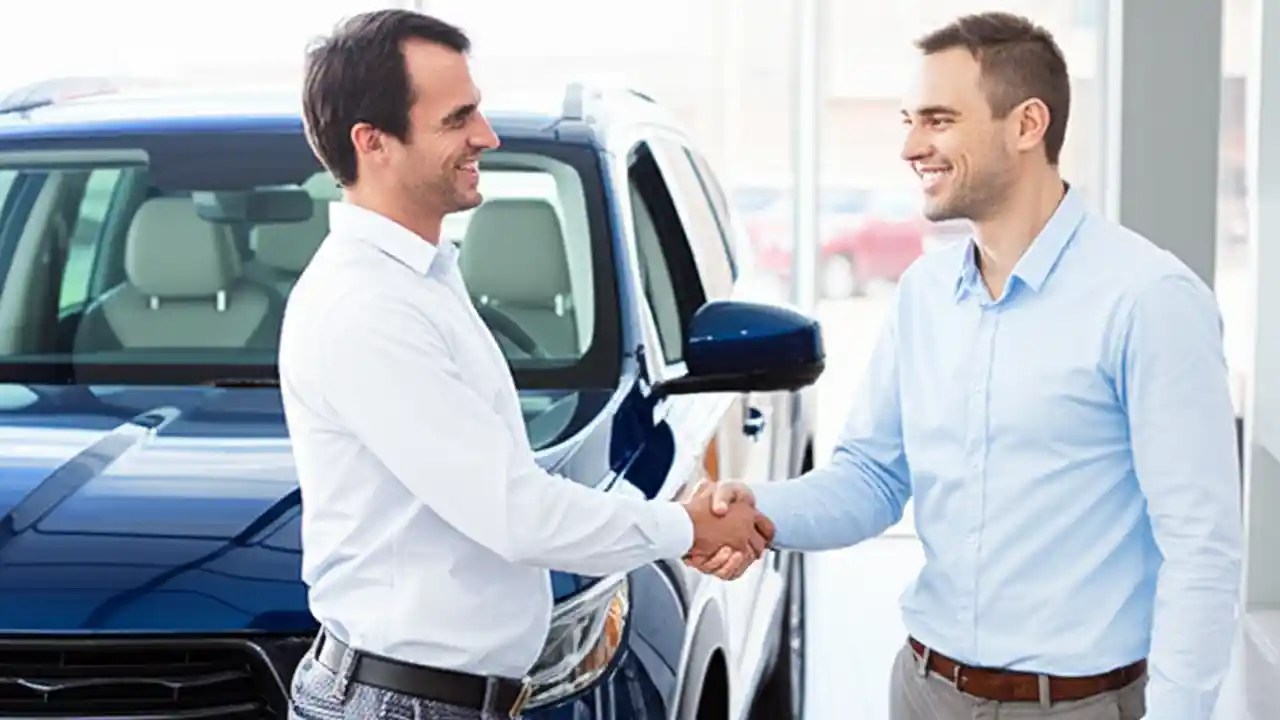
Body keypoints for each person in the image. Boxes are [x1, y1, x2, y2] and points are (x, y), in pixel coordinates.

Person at [689, 11, 1242, 720]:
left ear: (1027, 124)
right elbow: (872, 478)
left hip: (1079, 706)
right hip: (926, 690)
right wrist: (754, 507)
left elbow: (1202, 548)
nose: (911, 146)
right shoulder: (925, 294)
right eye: (908, 121)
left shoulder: (1148, 300)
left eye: (938, 120)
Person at [277, 10, 771, 720]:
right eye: (459, 118)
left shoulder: (419, 282)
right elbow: (516, 513)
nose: (487, 136)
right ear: (373, 142)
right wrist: (686, 528)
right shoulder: (368, 308)